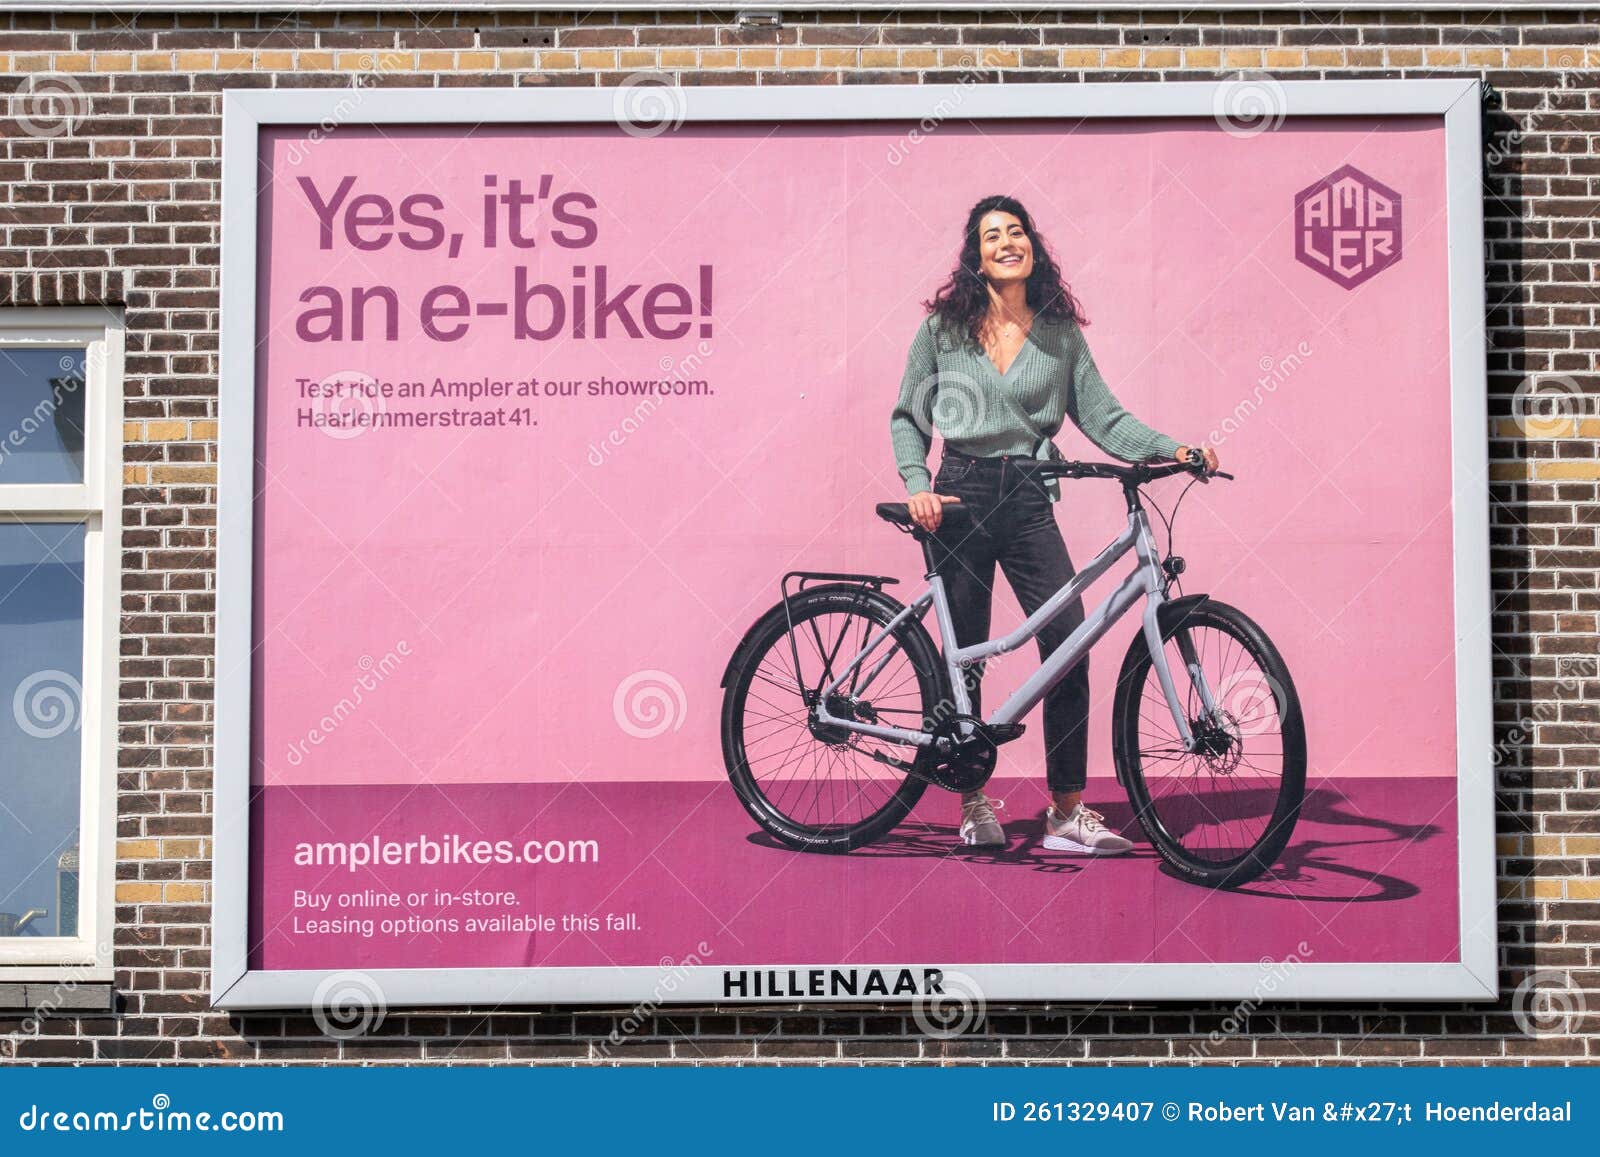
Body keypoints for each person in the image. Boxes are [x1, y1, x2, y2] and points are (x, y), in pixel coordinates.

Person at [889, 194, 1218, 854]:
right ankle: (972, 799)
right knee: (968, 656)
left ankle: (1067, 810)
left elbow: (1106, 419)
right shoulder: (943, 332)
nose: (1006, 241)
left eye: (1016, 231)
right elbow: (908, 418)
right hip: (958, 493)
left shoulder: (1059, 334)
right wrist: (918, 485)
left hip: (1029, 497)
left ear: (1032, 248)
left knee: (1068, 639)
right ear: (976, 258)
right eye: (992, 235)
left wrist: (1175, 449)